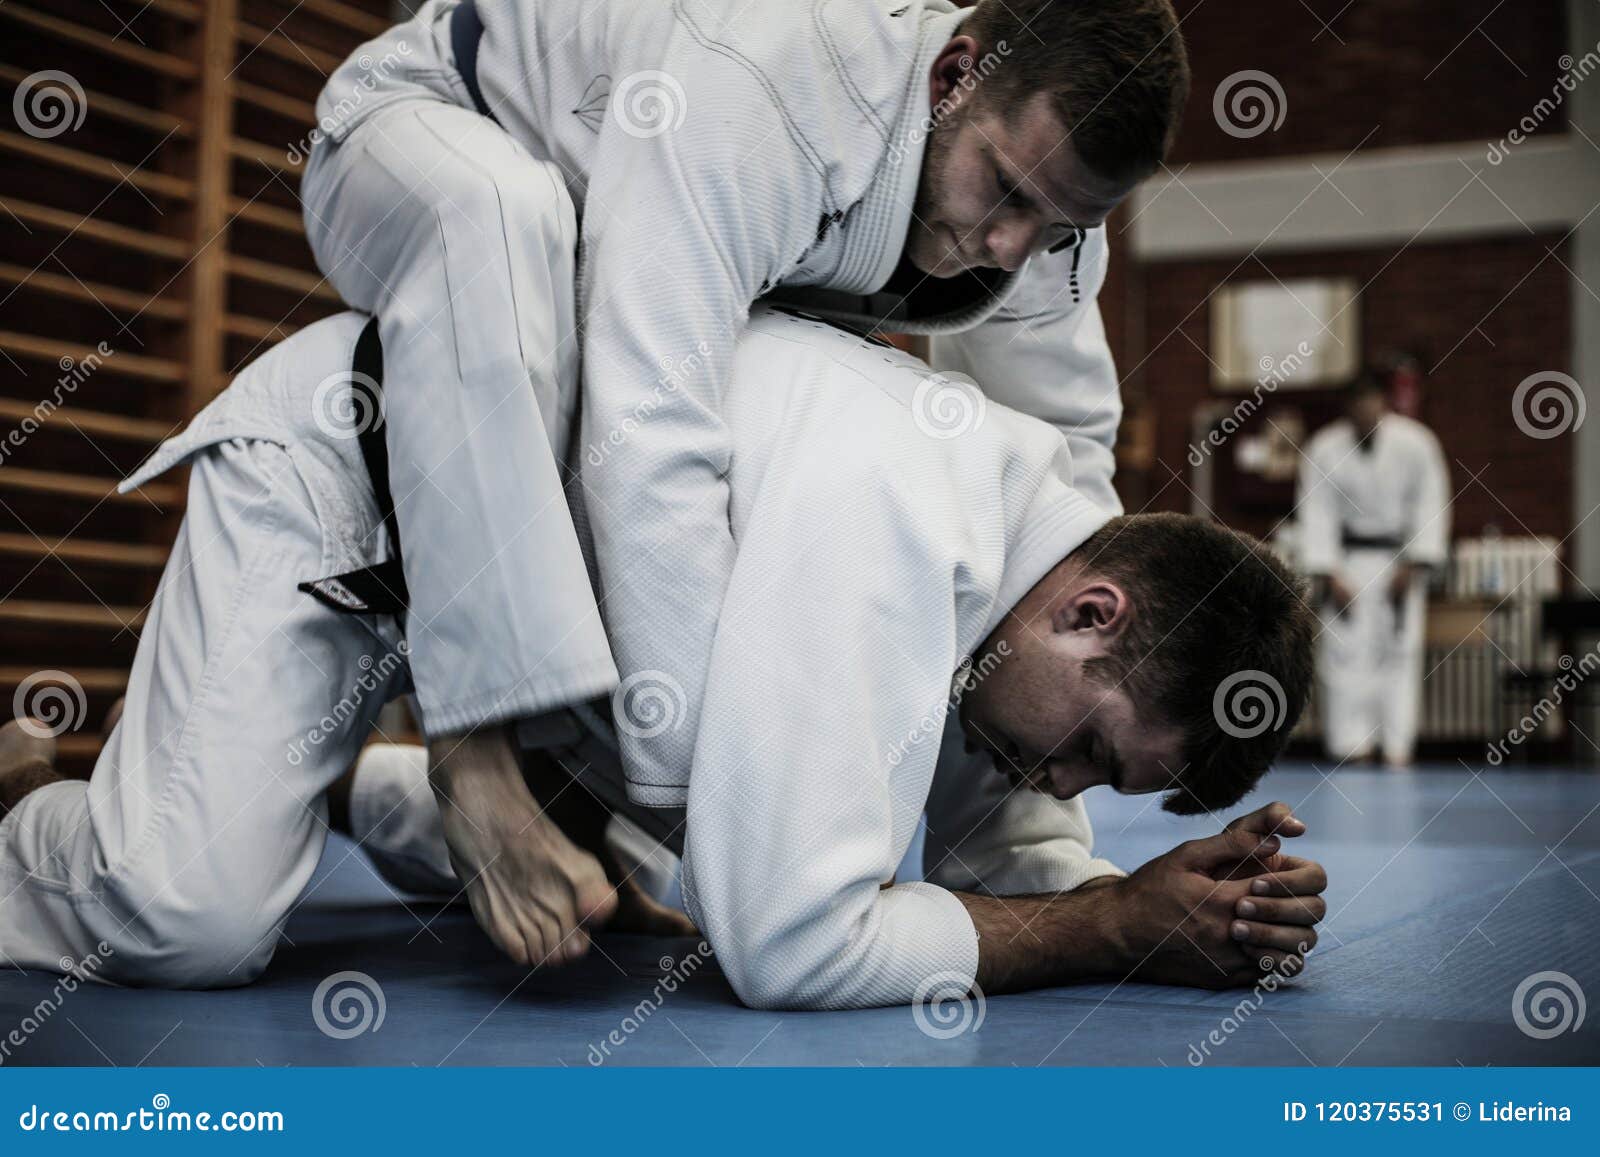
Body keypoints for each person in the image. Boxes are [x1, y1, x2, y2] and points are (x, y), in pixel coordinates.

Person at [0, 308, 1323, 1003]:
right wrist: (1103, 927)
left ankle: (357, 788)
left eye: (1099, 784)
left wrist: (1173, 905)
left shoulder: (1028, 581)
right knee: (186, 924)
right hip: (368, 484)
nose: (1063, 781)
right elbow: (793, 949)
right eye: (1090, 752)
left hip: (553, 636)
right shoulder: (900, 518)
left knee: (671, 822)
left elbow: (1009, 845)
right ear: (1091, 612)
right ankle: (24, 800)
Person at [297, 0, 1191, 962]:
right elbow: (652, 429)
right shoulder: (768, 87)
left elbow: (1064, 526)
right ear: (953, 78)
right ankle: (472, 752)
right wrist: (726, 813)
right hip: (418, 133)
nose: (1014, 246)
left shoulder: (1046, 210)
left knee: (987, 557)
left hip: (608, 256)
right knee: (503, 216)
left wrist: (1044, 866)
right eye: (1006, 191)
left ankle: (442, 798)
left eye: (1058, 227)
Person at [1296, 377, 1452, 767]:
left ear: (1383, 401)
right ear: (1347, 406)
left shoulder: (1416, 442)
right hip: (1346, 560)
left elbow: (1431, 502)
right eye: (1357, 403)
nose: (1364, 410)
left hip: (1400, 560)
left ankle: (1397, 747)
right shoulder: (1324, 446)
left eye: (1370, 400)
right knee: (1343, 653)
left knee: (1399, 652)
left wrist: (1415, 562)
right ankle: (1351, 746)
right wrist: (1327, 570)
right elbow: (1316, 511)